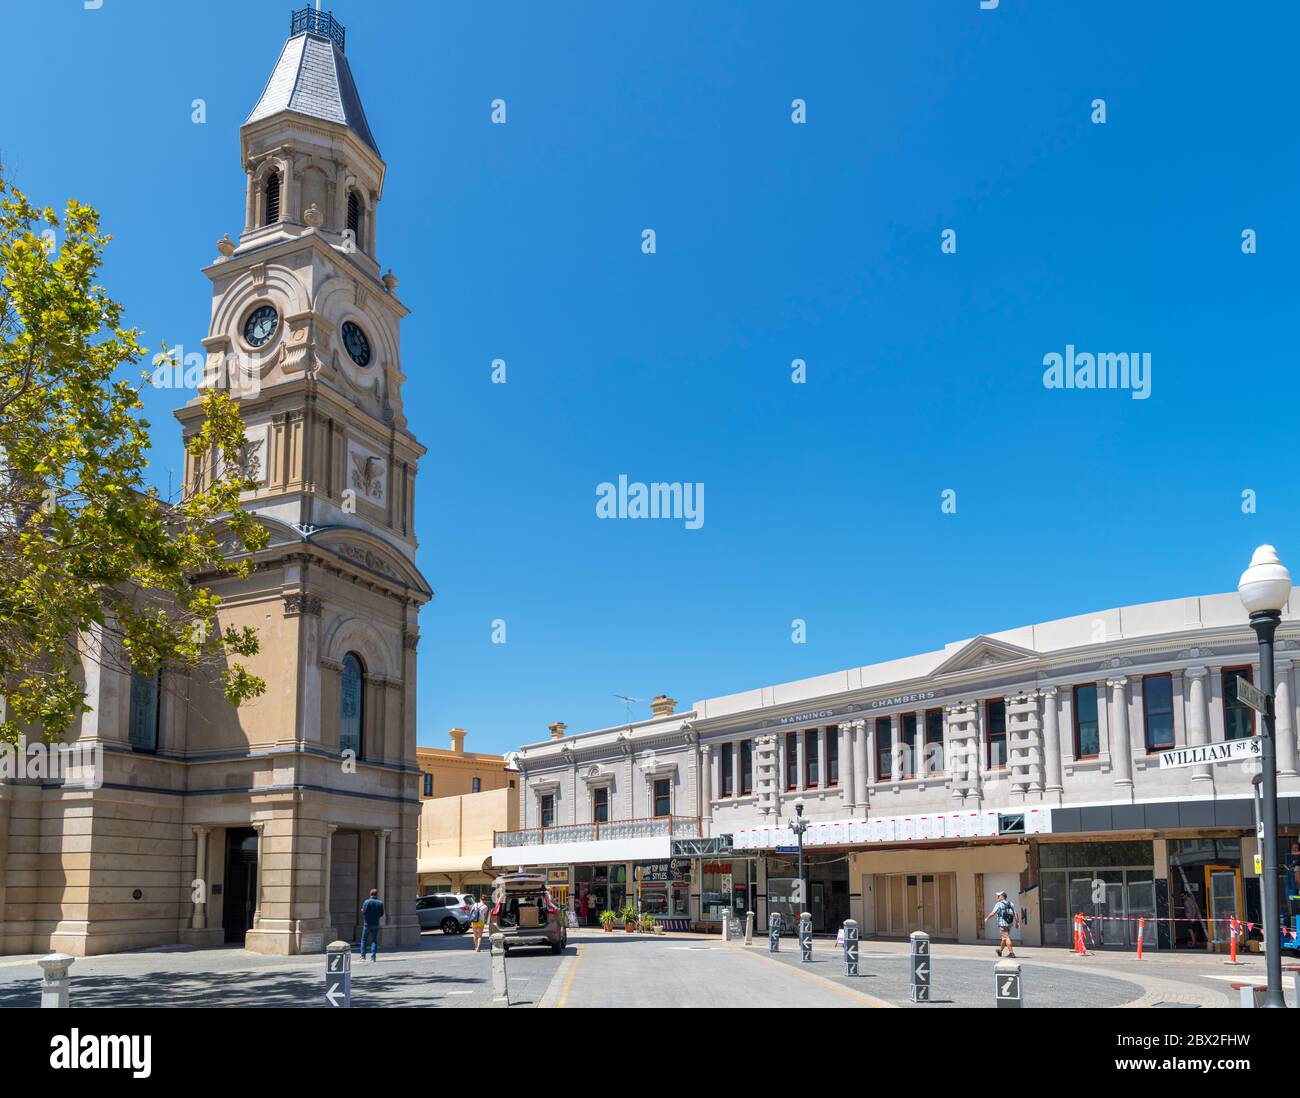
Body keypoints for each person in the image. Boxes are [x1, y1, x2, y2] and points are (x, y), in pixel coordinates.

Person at [984, 890, 1020, 957]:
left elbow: (993, 913)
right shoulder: (1010, 903)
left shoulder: (999, 904)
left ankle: (1011, 953)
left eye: (998, 896)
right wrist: (1017, 922)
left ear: (1002, 897)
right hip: (1009, 924)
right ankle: (1000, 951)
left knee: (1006, 937)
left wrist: (987, 918)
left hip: (1002, 924)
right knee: (1004, 938)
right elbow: (1015, 913)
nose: (997, 897)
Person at [360, 887, 384, 961]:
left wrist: (362, 910)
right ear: (377, 894)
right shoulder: (380, 903)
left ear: (370, 894)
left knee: (364, 940)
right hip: (375, 924)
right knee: (374, 940)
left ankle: (363, 956)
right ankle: (373, 957)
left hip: (367, 924)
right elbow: (381, 914)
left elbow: (364, 912)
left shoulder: (366, 902)